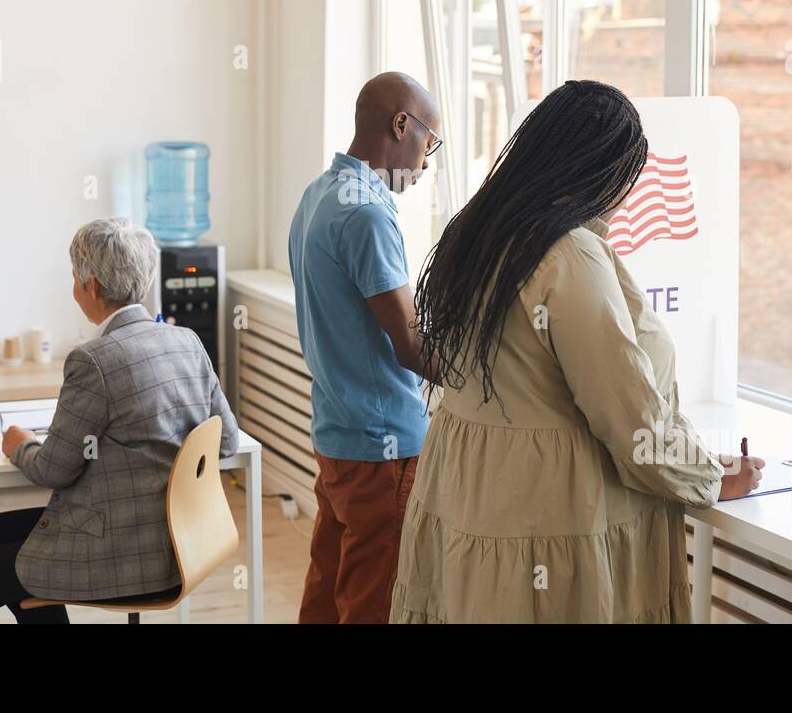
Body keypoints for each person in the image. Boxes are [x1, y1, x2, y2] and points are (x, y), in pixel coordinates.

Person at [390, 81, 763, 624]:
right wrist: (708, 478)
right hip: (551, 513)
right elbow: (628, 417)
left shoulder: (476, 232)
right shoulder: (568, 255)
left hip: (474, 497)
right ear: (602, 172)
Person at [0, 217, 239, 623]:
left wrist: (19, 445)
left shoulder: (94, 360)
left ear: (91, 286)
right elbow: (227, 442)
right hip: (184, 540)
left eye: (75, 279)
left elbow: (52, 470)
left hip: (127, 555)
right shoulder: (185, 340)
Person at [288, 71, 442, 624]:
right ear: (401, 125)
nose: (426, 163)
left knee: (328, 591)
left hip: (338, 432)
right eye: (429, 143)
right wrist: (484, 372)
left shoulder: (319, 195)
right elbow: (408, 344)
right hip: (385, 447)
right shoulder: (369, 213)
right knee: (375, 601)